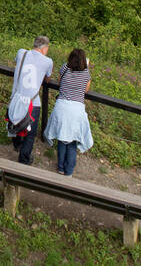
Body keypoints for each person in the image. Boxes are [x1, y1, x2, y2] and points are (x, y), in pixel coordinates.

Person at [43, 48, 93, 176]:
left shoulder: (65, 67)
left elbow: (60, 82)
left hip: (62, 107)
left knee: (62, 137)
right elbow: (86, 90)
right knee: (72, 141)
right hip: (77, 109)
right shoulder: (86, 73)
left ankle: (60, 167)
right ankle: (69, 171)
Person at [6, 36, 53, 165]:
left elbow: (18, 62)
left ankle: (17, 145)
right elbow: (48, 78)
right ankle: (24, 159)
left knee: (15, 122)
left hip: (17, 97)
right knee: (30, 133)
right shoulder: (48, 61)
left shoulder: (22, 52)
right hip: (33, 102)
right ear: (44, 48)